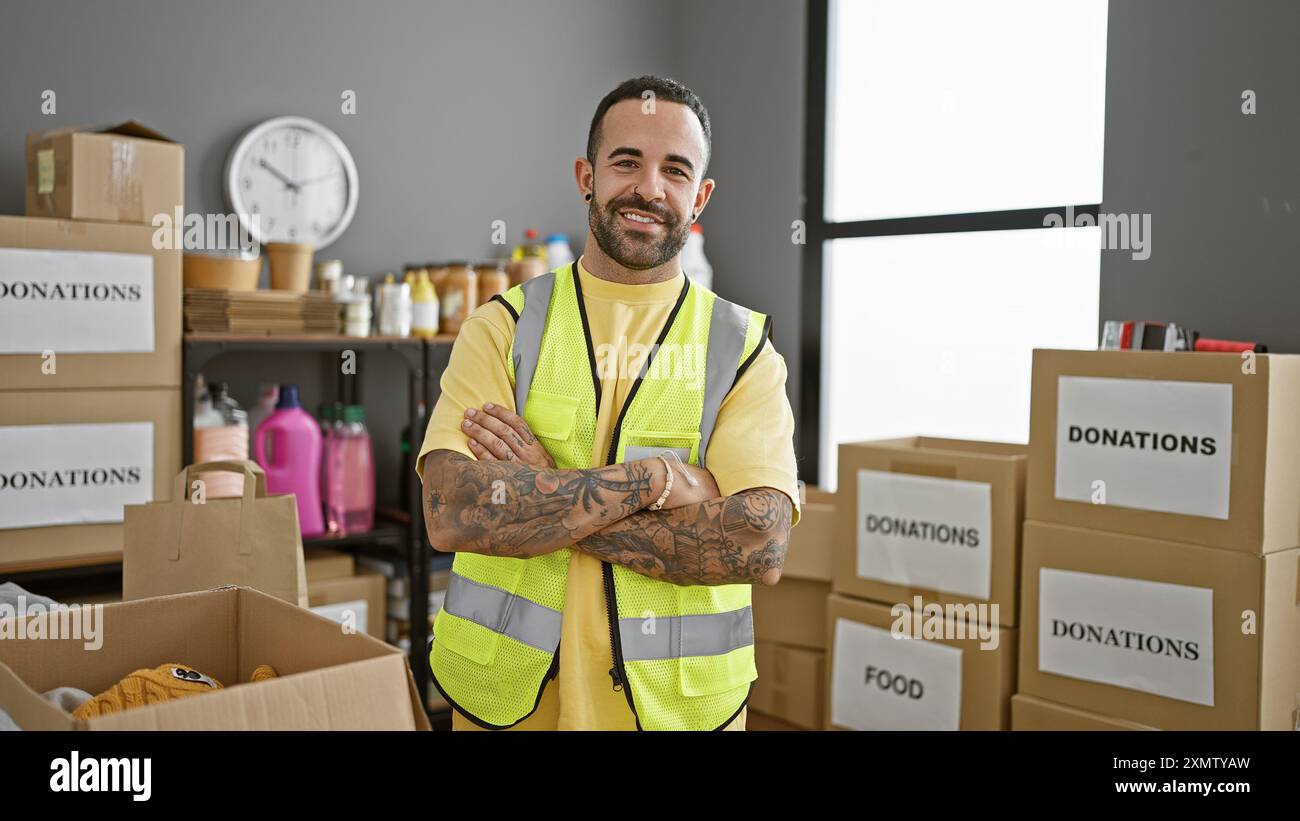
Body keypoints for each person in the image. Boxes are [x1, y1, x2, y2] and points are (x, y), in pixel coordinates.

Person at [416, 75, 799, 731]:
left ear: (699, 195)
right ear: (586, 175)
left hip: (677, 713)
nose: (648, 188)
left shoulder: (741, 348)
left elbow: (759, 544)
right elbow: (453, 509)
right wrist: (656, 478)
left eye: (674, 171)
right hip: (511, 706)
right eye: (627, 162)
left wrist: (547, 489)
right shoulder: (504, 327)